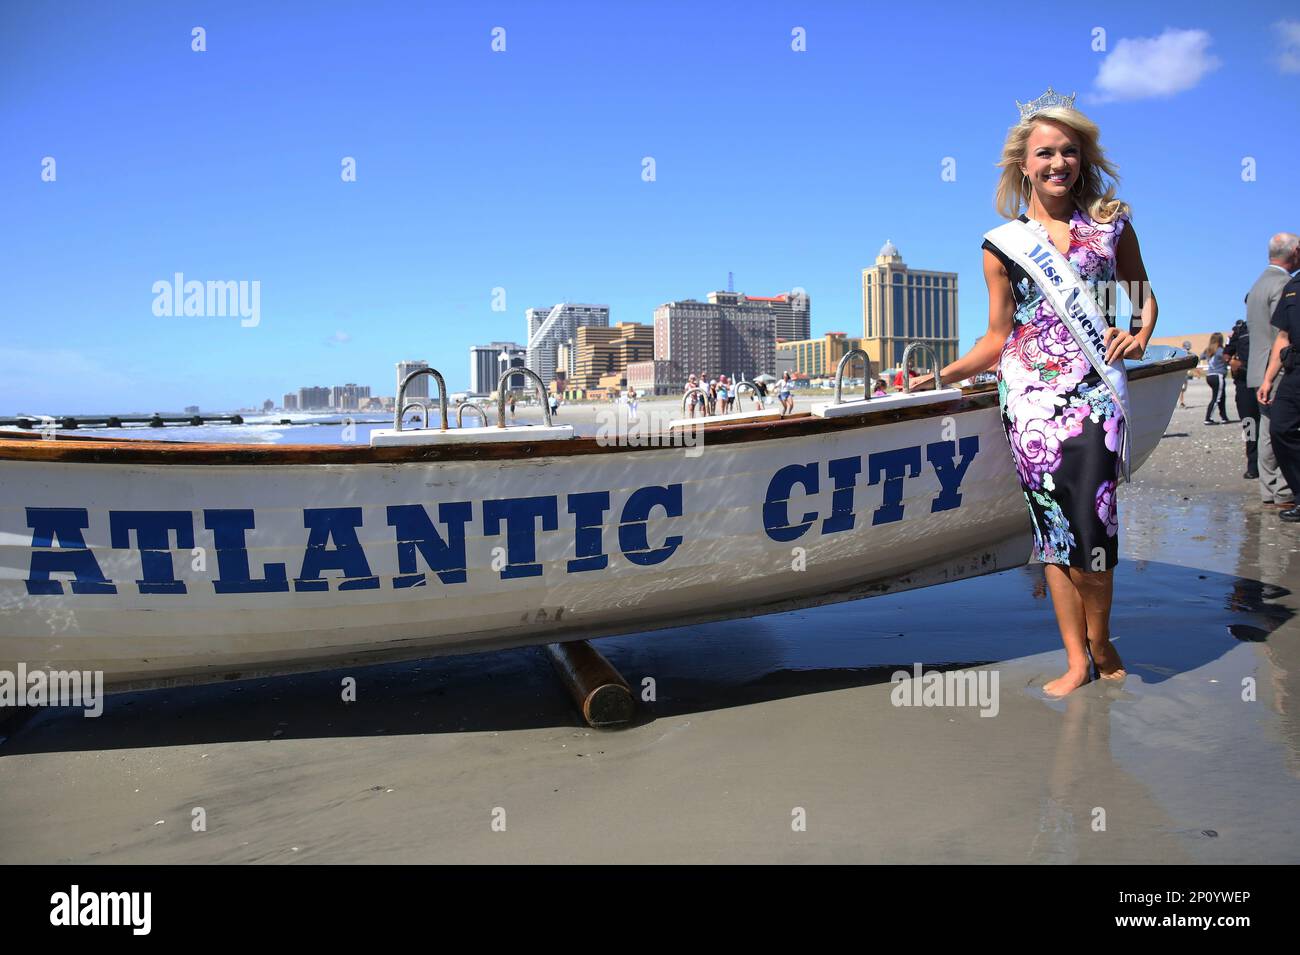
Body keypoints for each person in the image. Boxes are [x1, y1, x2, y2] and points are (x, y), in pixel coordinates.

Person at [917, 93, 1155, 697]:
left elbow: (1142, 293)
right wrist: (942, 375)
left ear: (1083, 158)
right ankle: (1076, 658)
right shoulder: (1002, 244)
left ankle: (1101, 640)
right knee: (1054, 530)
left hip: (1097, 392)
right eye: (1044, 153)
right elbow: (998, 337)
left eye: (1068, 151)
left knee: (1094, 526)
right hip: (1028, 400)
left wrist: (1141, 330)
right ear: (1023, 164)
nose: (1058, 163)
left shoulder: (1111, 223)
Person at [1245, 233, 1300, 507]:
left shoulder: (1258, 285)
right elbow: (1285, 331)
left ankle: (1270, 490)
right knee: (1282, 428)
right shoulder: (1284, 285)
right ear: (1295, 252)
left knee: (1268, 430)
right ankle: (1282, 490)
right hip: (1275, 368)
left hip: (1258, 366)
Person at [1260, 272, 1300, 522]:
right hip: (1295, 369)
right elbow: (1283, 336)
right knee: (1280, 429)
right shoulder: (1293, 286)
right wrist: (1268, 378)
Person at [1224, 319, 1257, 477]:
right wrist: (1231, 361)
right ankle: (1253, 466)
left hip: (1267, 380)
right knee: (1249, 424)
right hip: (1245, 383)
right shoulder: (1241, 330)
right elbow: (1227, 351)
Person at [1201, 332, 1231, 425]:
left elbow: (1201, 357)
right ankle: (1208, 418)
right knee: (1217, 398)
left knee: (1221, 396)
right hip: (1218, 375)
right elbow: (1227, 358)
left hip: (1210, 375)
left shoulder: (1208, 350)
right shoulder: (1220, 350)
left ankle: (1224, 417)